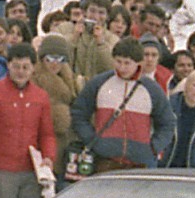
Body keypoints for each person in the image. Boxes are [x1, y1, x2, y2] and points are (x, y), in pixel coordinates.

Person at [0, 43, 60, 198]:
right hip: (2, 170)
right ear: (8, 65)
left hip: (31, 170)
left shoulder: (40, 96)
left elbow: (46, 134)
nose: (20, 72)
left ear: (33, 68)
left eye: (25, 67)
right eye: (16, 66)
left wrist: (48, 156)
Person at [69, 38, 174, 173]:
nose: (122, 68)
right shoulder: (99, 83)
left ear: (138, 63)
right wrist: (91, 139)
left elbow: (167, 123)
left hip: (139, 162)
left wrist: (153, 148)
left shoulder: (152, 89)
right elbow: (79, 113)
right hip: (104, 159)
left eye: (127, 63)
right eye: (118, 62)